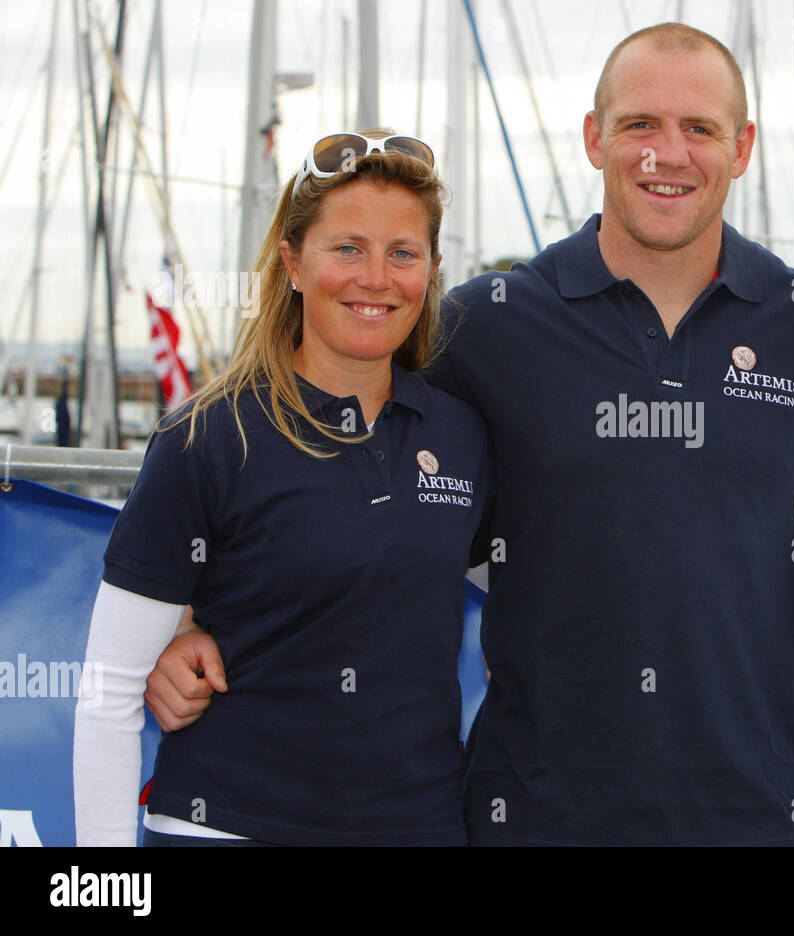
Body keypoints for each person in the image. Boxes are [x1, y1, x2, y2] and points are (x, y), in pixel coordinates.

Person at [141, 26, 794, 845]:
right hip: (531, 810)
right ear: (593, 138)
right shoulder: (486, 324)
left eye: (697, 128)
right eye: (638, 124)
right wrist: (180, 608)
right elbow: (318, 452)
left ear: (742, 148)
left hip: (757, 810)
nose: (665, 154)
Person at [73, 130, 490, 845]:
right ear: (293, 263)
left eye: (403, 253)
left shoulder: (461, 435)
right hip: (224, 825)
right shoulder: (209, 436)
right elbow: (109, 693)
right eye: (348, 248)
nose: (376, 277)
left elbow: (533, 605)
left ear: (432, 268)